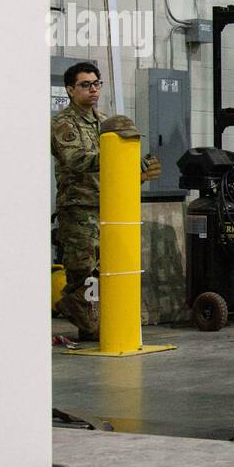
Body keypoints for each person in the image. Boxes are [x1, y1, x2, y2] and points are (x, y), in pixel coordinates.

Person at [51, 62, 161, 339]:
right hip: (79, 207)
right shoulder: (64, 123)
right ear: (70, 89)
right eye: (85, 85)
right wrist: (118, 159)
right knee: (82, 269)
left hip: (108, 205)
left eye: (96, 83)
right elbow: (75, 159)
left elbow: (112, 170)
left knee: (106, 269)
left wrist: (137, 170)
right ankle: (77, 310)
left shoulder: (104, 121)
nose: (93, 90)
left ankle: (93, 322)